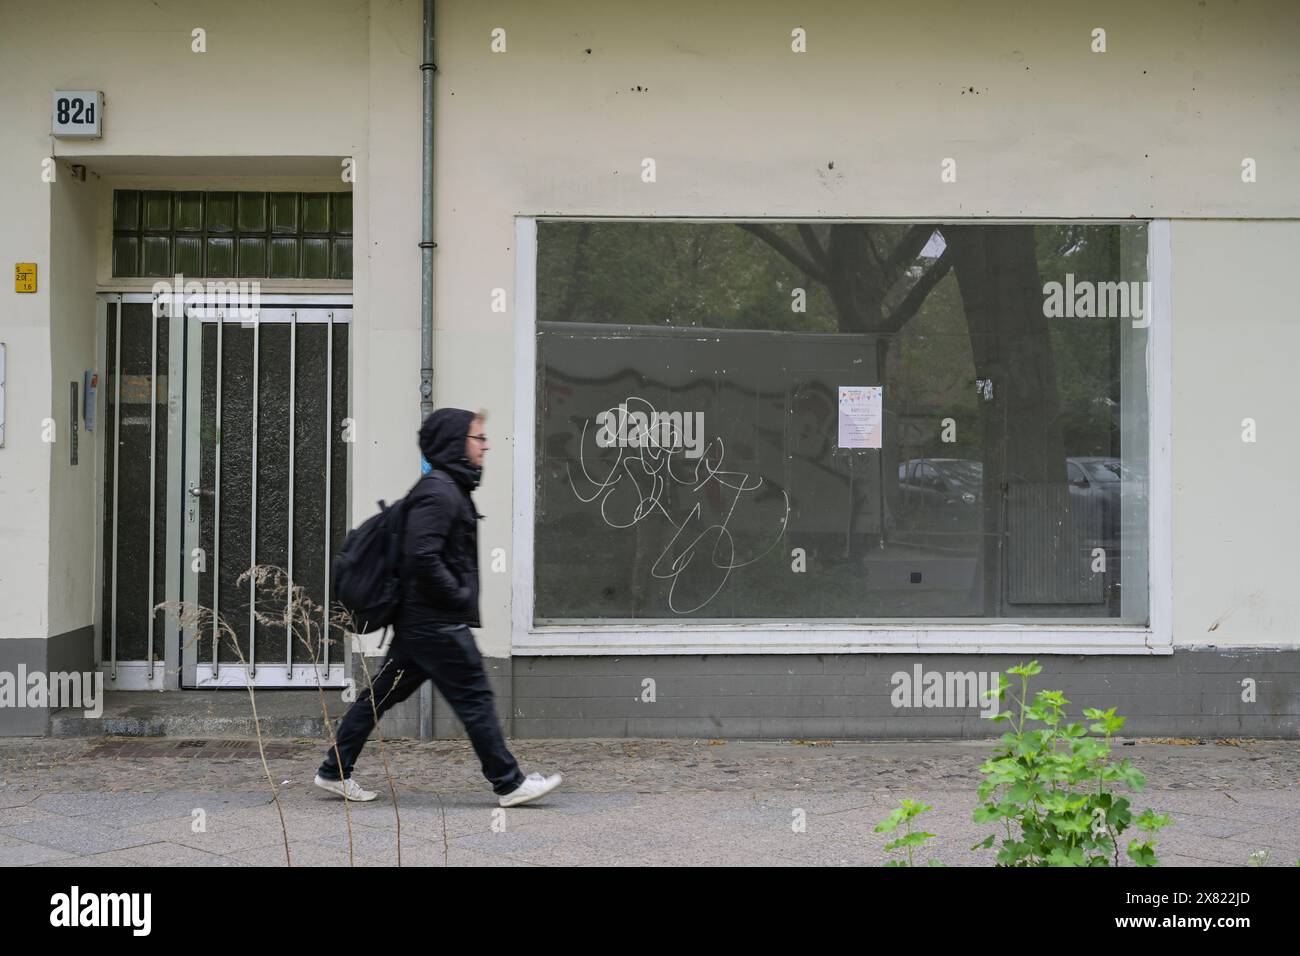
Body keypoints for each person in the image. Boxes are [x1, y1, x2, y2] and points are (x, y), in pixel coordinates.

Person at [315, 407, 562, 807]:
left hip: (419, 623)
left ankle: (333, 770)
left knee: (380, 697)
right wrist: (458, 596)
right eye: (478, 438)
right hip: (435, 622)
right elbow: (421, 555)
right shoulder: (441, 491)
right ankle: (508, 782)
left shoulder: (445, 487)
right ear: (455, 443)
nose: (486, 445)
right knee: (475, 697)